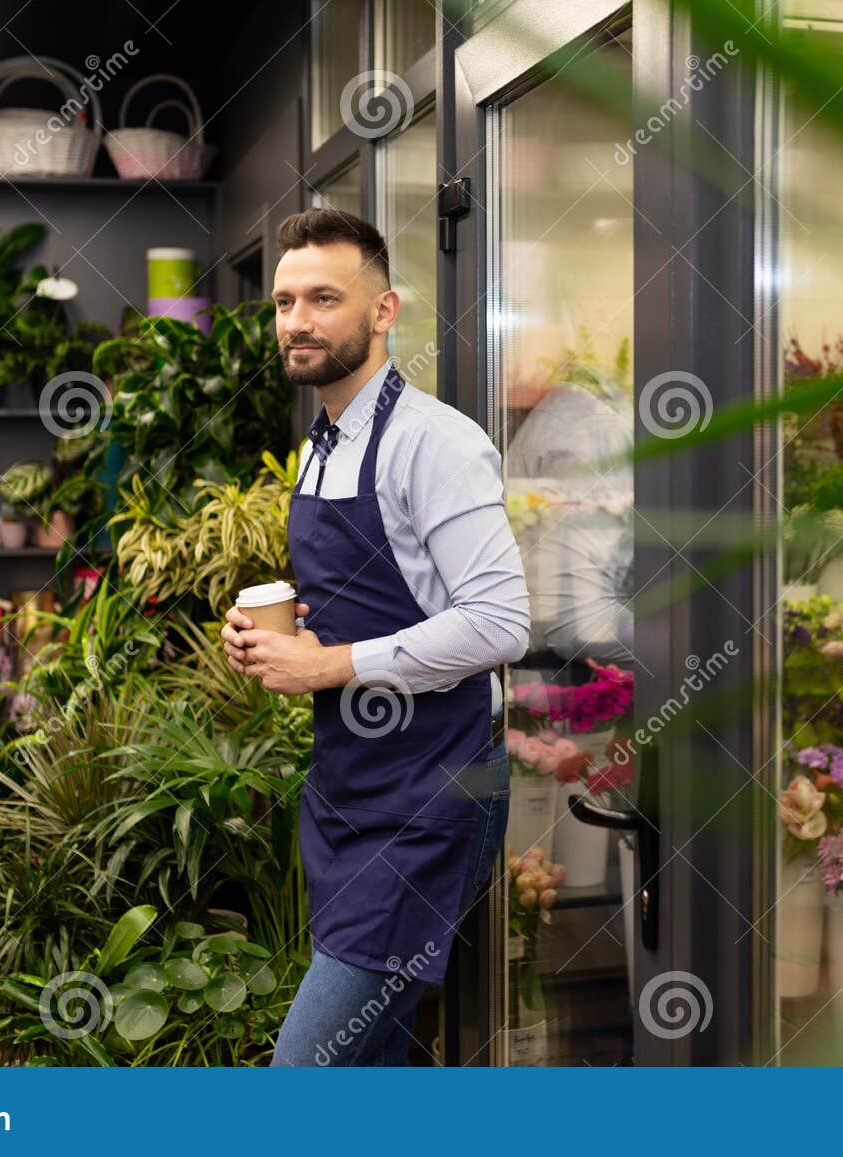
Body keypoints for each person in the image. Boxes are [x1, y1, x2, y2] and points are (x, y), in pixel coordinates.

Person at [221, 209, 530, 1065]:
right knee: (380, 1059)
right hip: (352, 783)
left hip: (435, 790)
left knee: (308, 1070)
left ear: (385, 309)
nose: (297, 321)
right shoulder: (322, 443)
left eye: (324, 297)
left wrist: (325, 661)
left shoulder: (435, 443)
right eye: (284, 302)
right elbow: (375, 605)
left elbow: (502, 623)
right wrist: (276, 636)